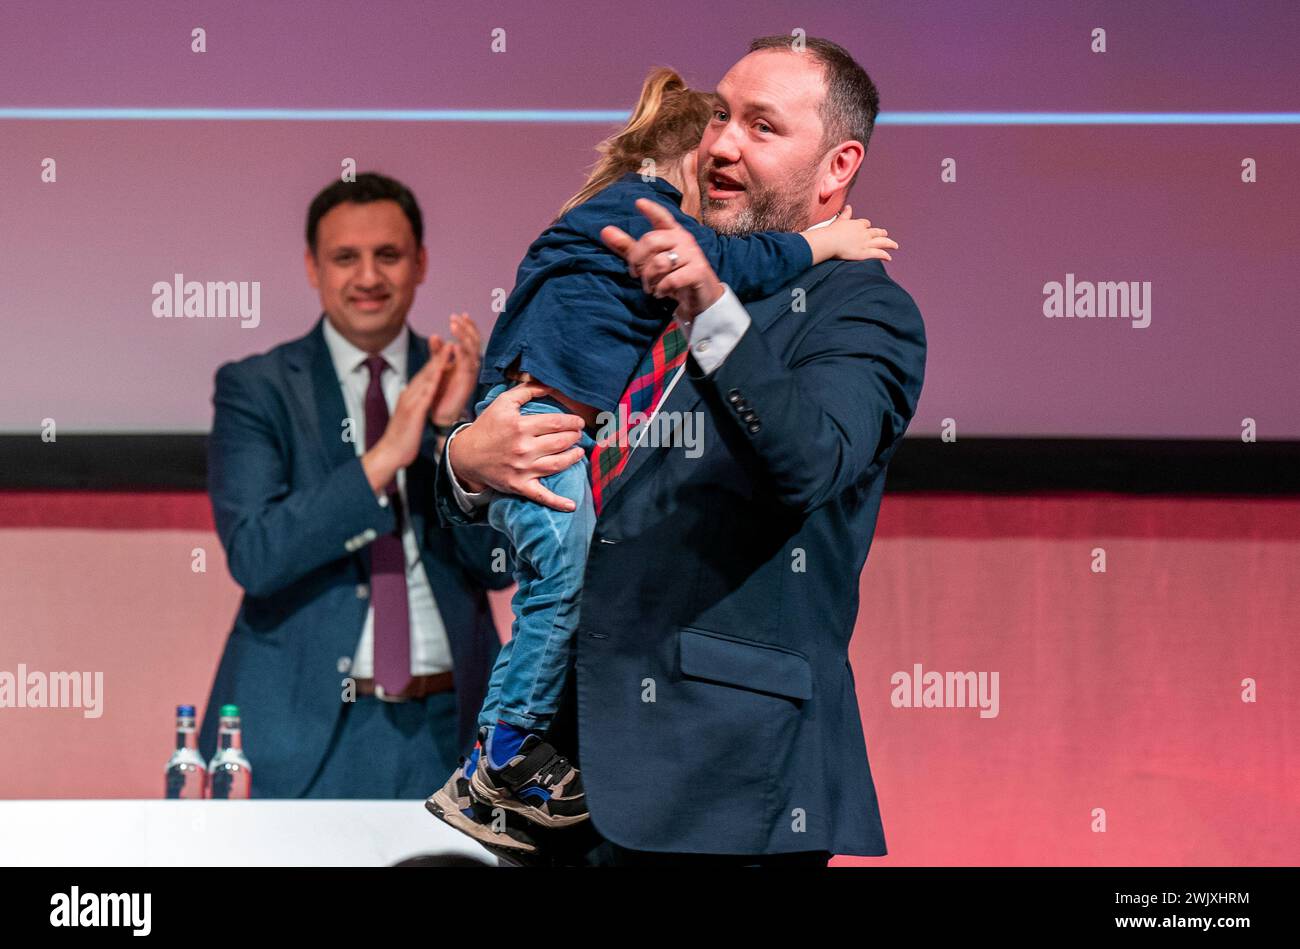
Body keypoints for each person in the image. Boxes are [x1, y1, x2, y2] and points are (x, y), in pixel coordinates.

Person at [435, 35, 927, 866]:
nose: (723, 143)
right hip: (559, 793)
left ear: (838, 165)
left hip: (721, 789)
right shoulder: (628, 283)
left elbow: (809, 461)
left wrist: (711, 310)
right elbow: (491, 562)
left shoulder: (861, 312)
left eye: (761, 127)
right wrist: (468, 469)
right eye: (721, 116)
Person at [199, 172, 512, 798]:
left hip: (449, 727)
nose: (368, 277)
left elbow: (499, 565)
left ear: (420, 263)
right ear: (313, 268)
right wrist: (382, 461)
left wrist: (454, 437)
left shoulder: (465, 384)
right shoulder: (258, 388)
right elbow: (257, 556)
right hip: (303, 732)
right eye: (346, 258)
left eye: (388, 255)